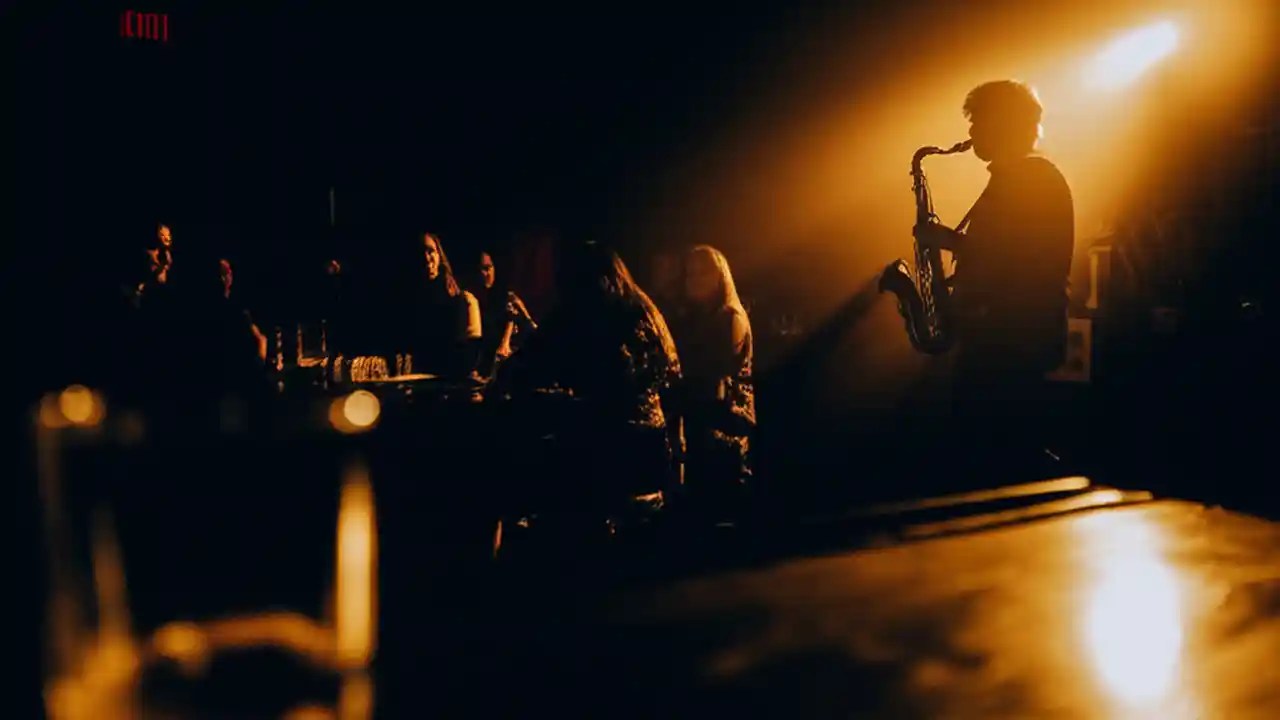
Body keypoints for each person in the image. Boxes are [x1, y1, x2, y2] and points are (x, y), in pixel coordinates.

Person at [914, 80, 1074, 477]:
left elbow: (1018, 257)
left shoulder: (1032, 179)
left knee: (994, 454)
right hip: (1004, 336)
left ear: (1005, 124)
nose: (971, 133)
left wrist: (947, 242)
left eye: (979, 122)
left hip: (1012, 338)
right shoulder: (1013, 177)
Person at [500, 242, 682, 514]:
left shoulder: (588, 307)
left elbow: (532, 362)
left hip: (609, 452)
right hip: (652, 448)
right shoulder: (642, 307)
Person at [676, 245, 755, 511]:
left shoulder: (729, 317)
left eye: (703, 273)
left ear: (720, 276)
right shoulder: (696, 318)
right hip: (707, 423)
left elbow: (716, 375)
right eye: (690, 273)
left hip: (726, 426)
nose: (695, 280)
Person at [409, 232, 483, 377]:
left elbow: (469, 355)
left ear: (439, 256)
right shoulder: (412, 302)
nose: (425, 258)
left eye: (430, 251)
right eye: (420, 252)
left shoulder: (461, 300)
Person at [469, 250, 536, 376]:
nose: (485, 274)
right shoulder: (471, 300)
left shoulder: (506, 297)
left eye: (488, 268)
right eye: (481, 269)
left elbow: (528, 327)